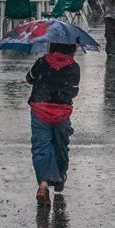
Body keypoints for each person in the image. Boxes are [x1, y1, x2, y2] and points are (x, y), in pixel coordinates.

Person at [26, 42, 81, 206]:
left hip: (40, 109)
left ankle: (43, 185)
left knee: (41, 146)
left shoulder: (42, 62)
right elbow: (74, 91)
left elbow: (29, 78)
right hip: (61, 113)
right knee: (60, 144)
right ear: (72, 48)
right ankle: (60, 175)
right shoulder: (74, 67)